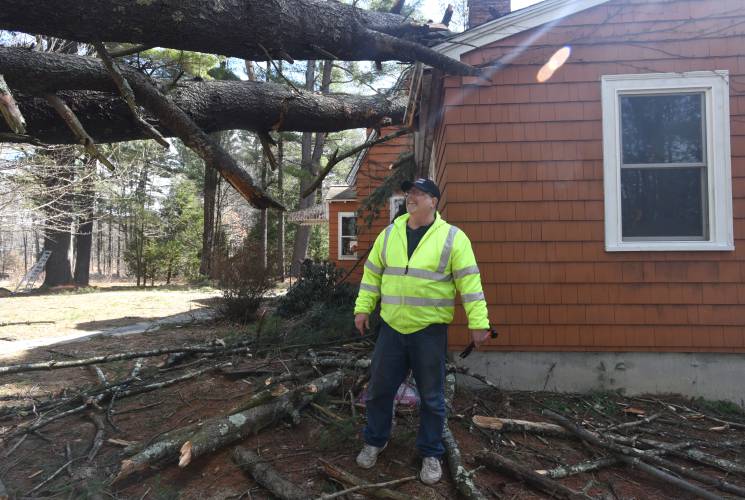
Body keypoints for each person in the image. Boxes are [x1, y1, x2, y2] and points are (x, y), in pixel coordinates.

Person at [353, 178, 491, 485]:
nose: (410, 197)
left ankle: (430, 451)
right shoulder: (389, 234)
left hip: (428, 332)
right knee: (378, 390)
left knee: (432, 397)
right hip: (391, 328)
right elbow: (372, 275)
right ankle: (375, 439)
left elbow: (470, 283)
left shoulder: (453, 238)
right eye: (408, 193)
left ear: (433, 201)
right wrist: (363, 308)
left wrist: (479, 323)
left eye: (418, 193)